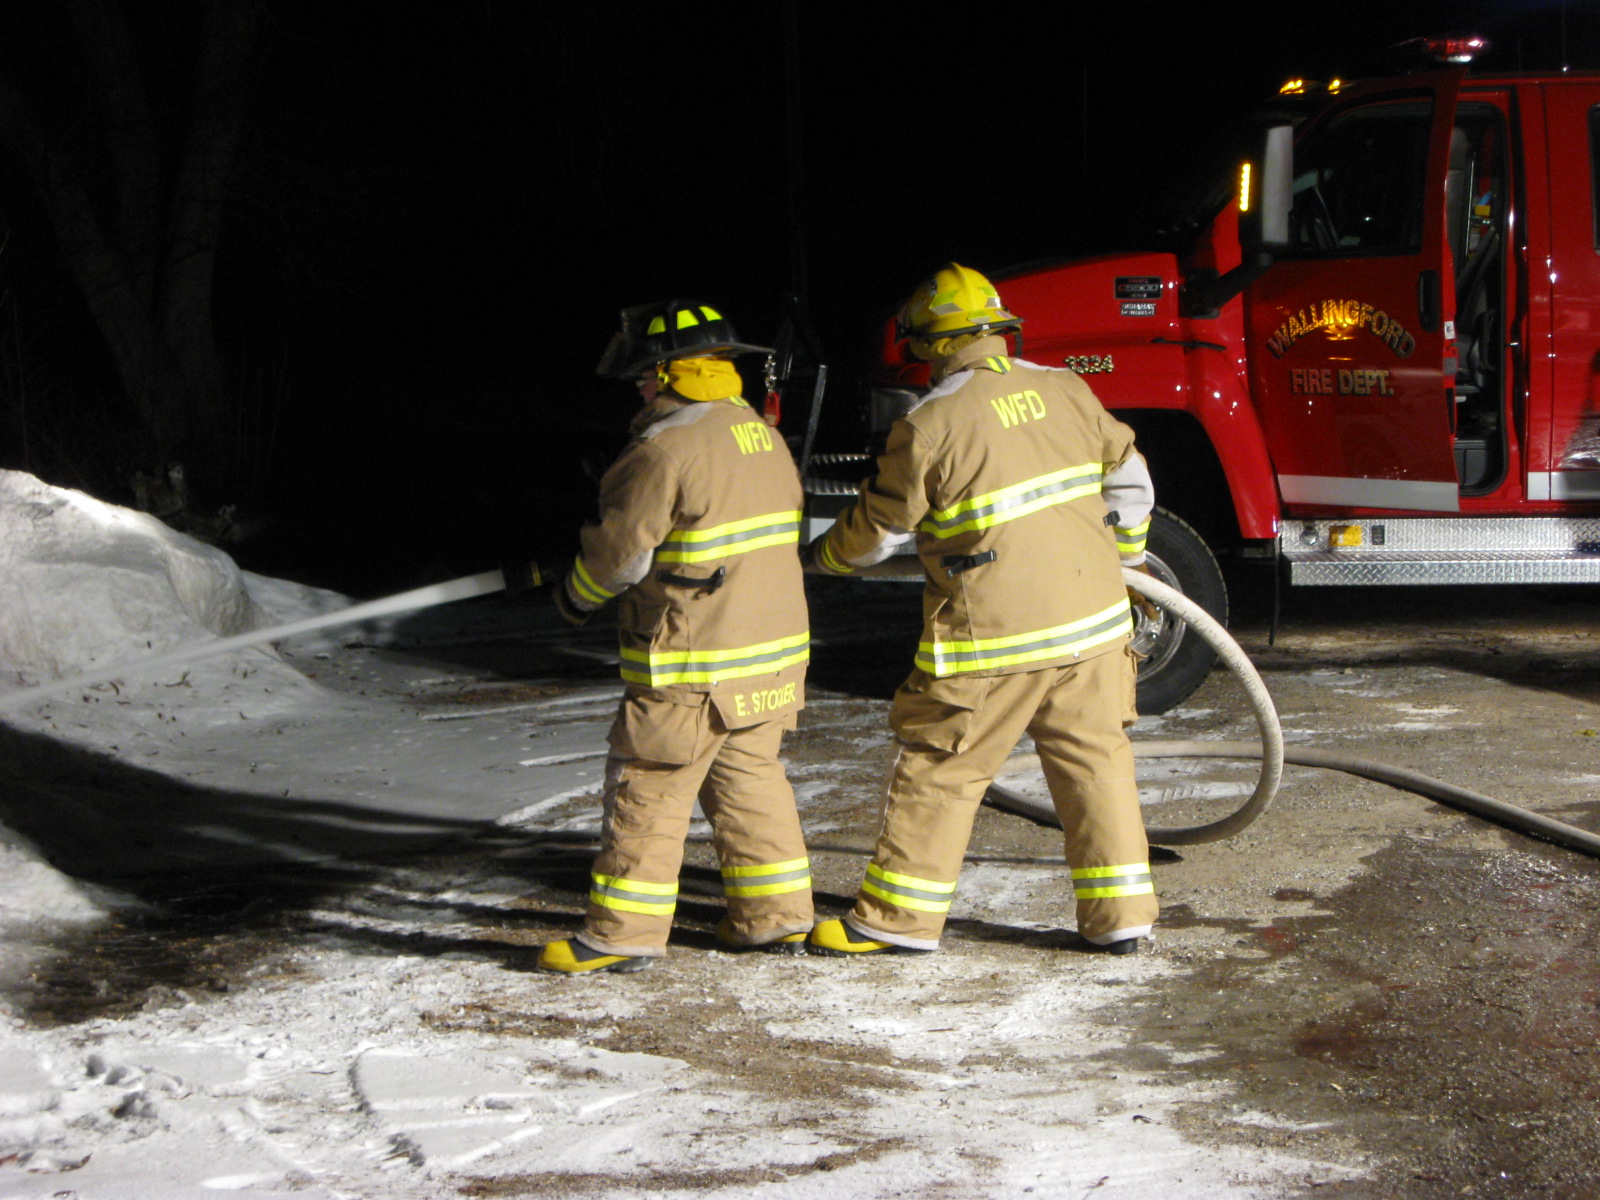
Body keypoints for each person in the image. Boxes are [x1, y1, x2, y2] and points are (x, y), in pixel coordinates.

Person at [804, 263, 1158, 958]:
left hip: (994, 638)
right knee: (1095, 764)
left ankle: (895, 921)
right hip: (1094, 624)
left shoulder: (928, 422)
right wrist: (1130, 562)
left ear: (928, 346)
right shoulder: (1067, 387)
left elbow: (882, 529)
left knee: (942, 766)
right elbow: (1132, 478)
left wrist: (825, 559)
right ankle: (1123, 920)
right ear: (999, 330)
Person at [535, 300, 814, 975]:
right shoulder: (756, 433)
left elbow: (622, 558)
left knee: (649, 786)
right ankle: (775, 918)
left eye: (646, 374)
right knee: (749, 777)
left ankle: (621, 935)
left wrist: (572, 595)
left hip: (693, 658)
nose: (639, 386)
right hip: (772, 654)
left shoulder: (662, 449)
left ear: (673, 373)